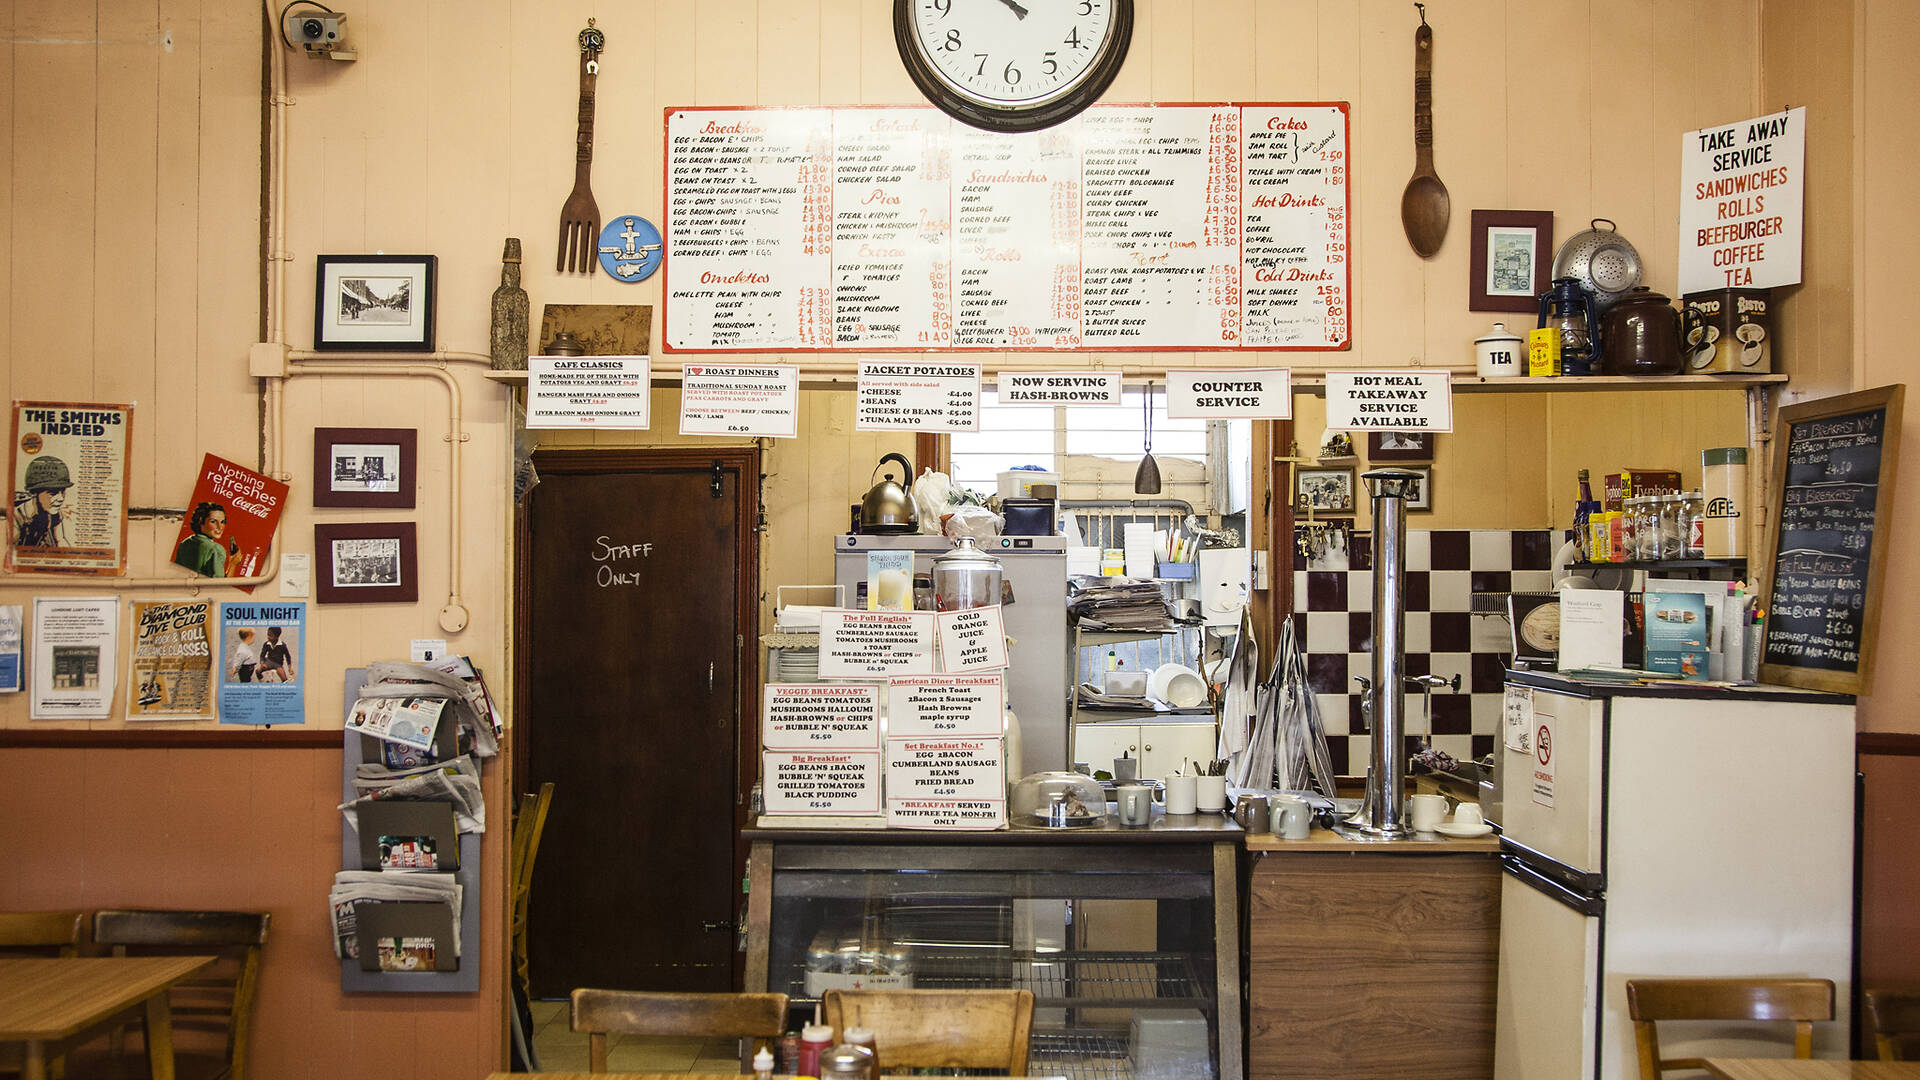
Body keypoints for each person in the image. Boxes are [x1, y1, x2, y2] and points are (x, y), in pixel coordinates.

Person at [12, 455, 74, 548]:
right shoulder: (15, 517)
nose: (61, 498)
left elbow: (62, 544)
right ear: (35, 493)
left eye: (63, 491)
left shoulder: (56, 515)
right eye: (53, 493)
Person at [174, 501, 229, 576]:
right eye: (213, 522)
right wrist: (233, 565)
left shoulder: (184, 543)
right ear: (200, 521)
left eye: (222, 522)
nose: (220, 527)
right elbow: (219, 585)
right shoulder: (216, 549)